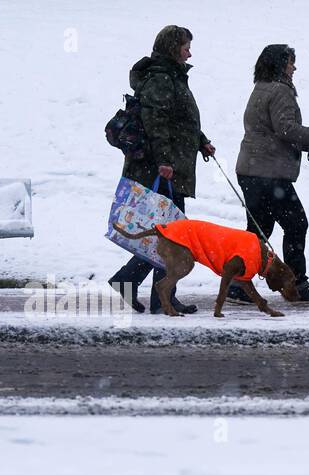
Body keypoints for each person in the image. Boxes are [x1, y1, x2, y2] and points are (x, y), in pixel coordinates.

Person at [109, 25, 215, 314]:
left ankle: (156, 295)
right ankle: (137, 285)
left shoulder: (172, 76)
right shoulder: (160, 78)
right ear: (172, 47)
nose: (189, 52)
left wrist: (201, 141)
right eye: (185, 46)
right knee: (171, 234)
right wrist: (164, 161)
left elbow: (181, 120)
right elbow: (157, 123)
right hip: (159, 170)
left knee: (169, 233)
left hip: (170, 165)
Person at [228, 44, 309, 303]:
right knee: (296, 224)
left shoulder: (261, 88)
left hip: (251, 170)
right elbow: (285, 129)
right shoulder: (280, 91)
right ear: (279, 64)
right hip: (268, 174)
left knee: (258, 230)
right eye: (290, 62)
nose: (294, 67)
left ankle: (237, 284)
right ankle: (296, 283)